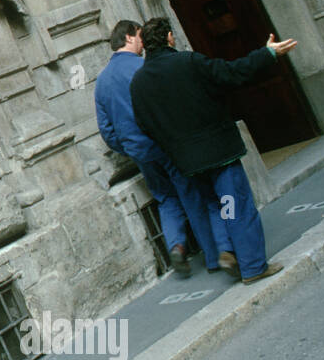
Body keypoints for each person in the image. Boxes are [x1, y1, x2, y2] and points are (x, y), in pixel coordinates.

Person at [129, 17, 298, 284]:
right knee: (236, 207)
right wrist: (267, 54)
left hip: (186, 161)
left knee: (214, 205)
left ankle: (226, 251)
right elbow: (233, 73)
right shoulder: (188, 62)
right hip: (219, 153)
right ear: (170, 37)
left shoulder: (138, 83)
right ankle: (253, 267)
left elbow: (144, 125)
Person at [95, 20, 233, 278]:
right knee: (194, 195)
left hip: (138, 152)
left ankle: (176, 246)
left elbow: (106, 130)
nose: (144, 43)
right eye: (140, 37)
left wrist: (128, 147)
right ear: (129, 38)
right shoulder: (144, 67)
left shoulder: (101, 82)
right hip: (165, 144)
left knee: (165, 198)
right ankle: (216, 255)